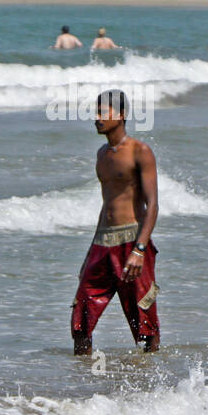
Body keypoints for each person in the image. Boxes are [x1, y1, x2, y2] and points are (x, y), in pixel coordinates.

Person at [71, 90, 160, 355]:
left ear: (121, 115)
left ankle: (150, 380)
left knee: (144, 322)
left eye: (103, 113)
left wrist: (140, 249)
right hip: (103, 244)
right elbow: (106, 204)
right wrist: (90, 253)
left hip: (132, 242)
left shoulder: (140, 151)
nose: (96, 118)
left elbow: (152, 205)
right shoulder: (101, 155)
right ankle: (82, 386)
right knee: (81, 318)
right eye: (95, 113)